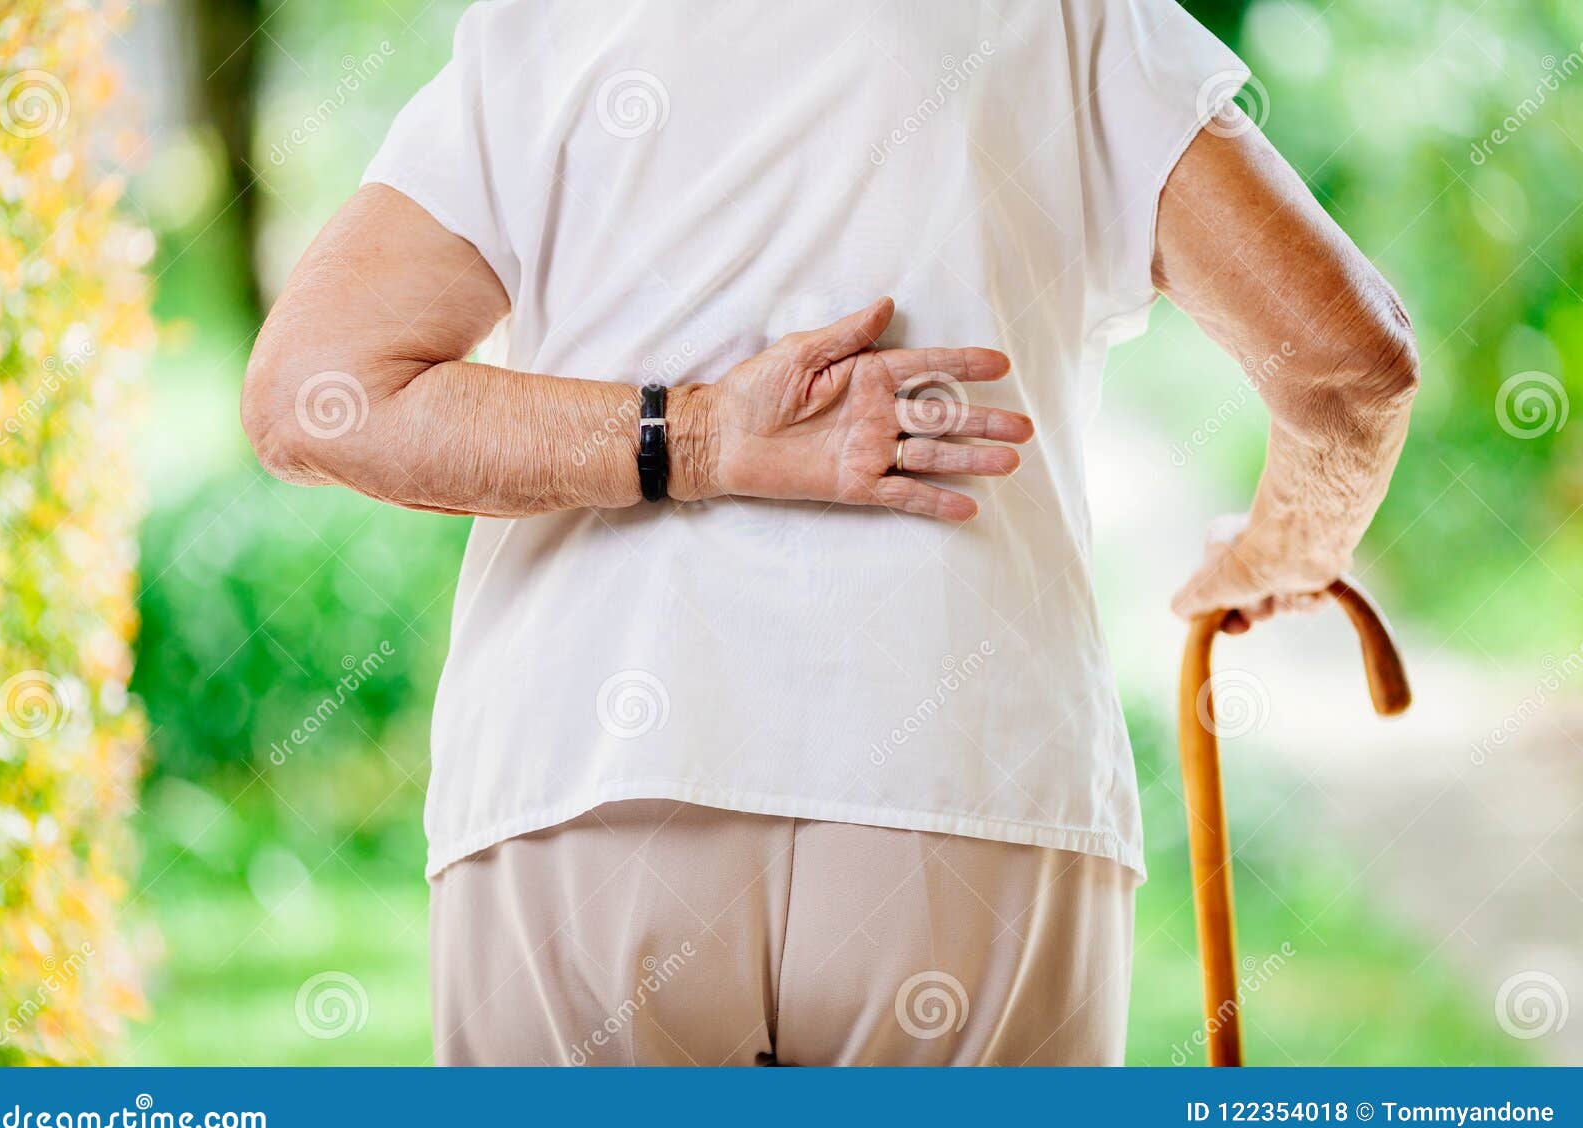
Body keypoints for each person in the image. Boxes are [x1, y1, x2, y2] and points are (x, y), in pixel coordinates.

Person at [242, 0, 1418, 1065]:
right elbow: (1348, 361)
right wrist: (1285, 545)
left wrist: (688, 437)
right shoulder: (1074, 21)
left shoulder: (550, 26)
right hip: (966, 805)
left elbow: (318, 392)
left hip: (588, 786)